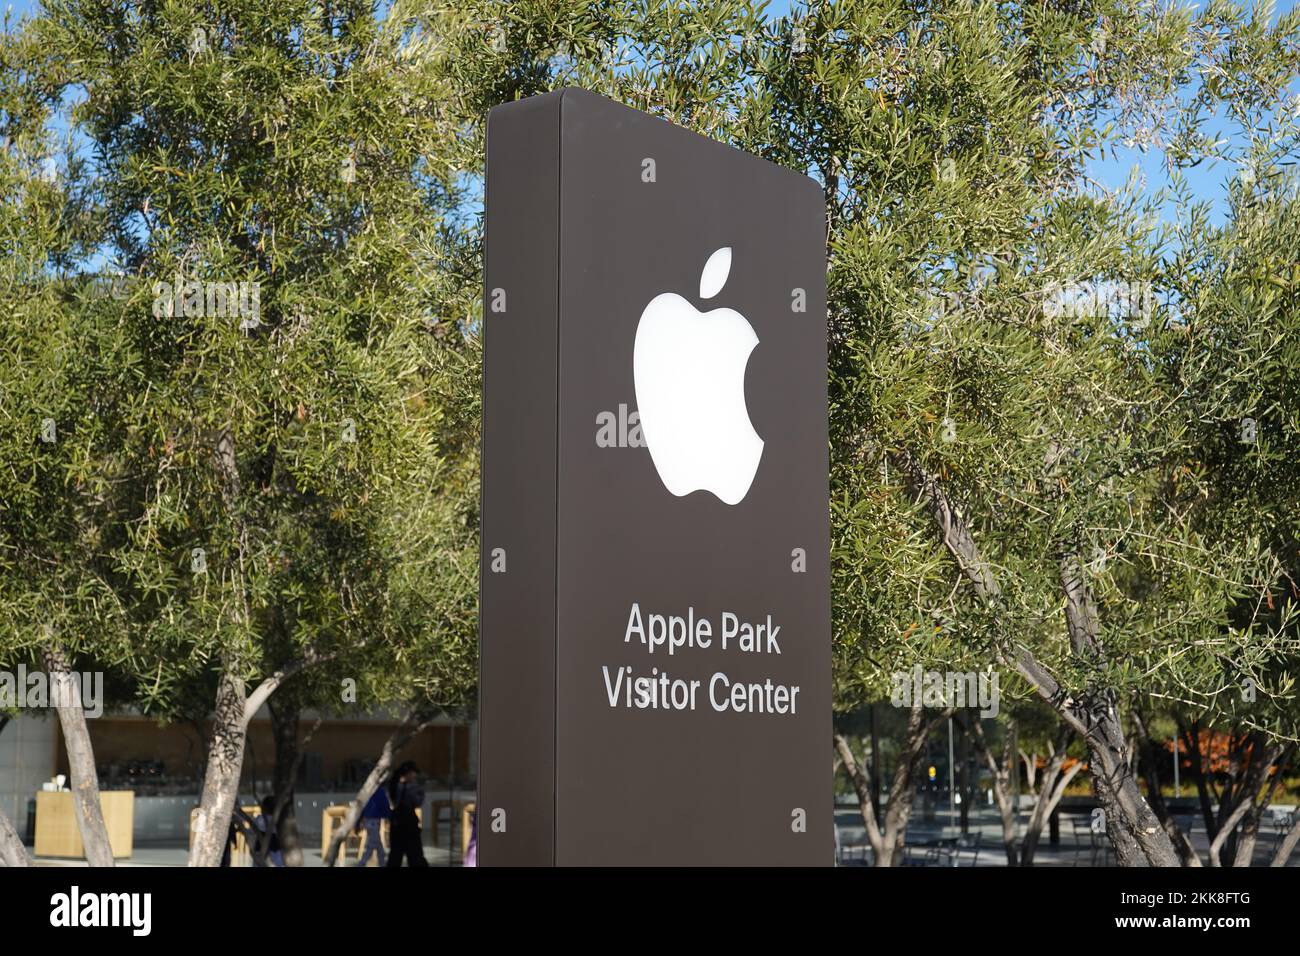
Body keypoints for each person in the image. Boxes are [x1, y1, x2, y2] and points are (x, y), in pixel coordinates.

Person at [385, 761, 427, 867]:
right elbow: (417, 802)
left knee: (396, 855)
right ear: (408, 773)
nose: (415, 776)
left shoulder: (395, 785)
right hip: (407, 824)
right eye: (413, 773)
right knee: (414, 855)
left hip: (398, 823)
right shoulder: (407, 787)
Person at [353, 782, 392, 867]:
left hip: (368, 820)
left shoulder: (367, 791)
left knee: (377, 844)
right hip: (374, 820)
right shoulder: (379, 791)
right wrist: (389, 817)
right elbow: (385, 805)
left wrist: (359, 821)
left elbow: (361, 806)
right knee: (372, 845)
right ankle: (361, 864)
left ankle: (382, 863)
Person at [253, 795, 285, 867]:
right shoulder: (280, 821)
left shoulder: (258, 819)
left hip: (260, 849)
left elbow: (252, 832)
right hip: (276, 848)